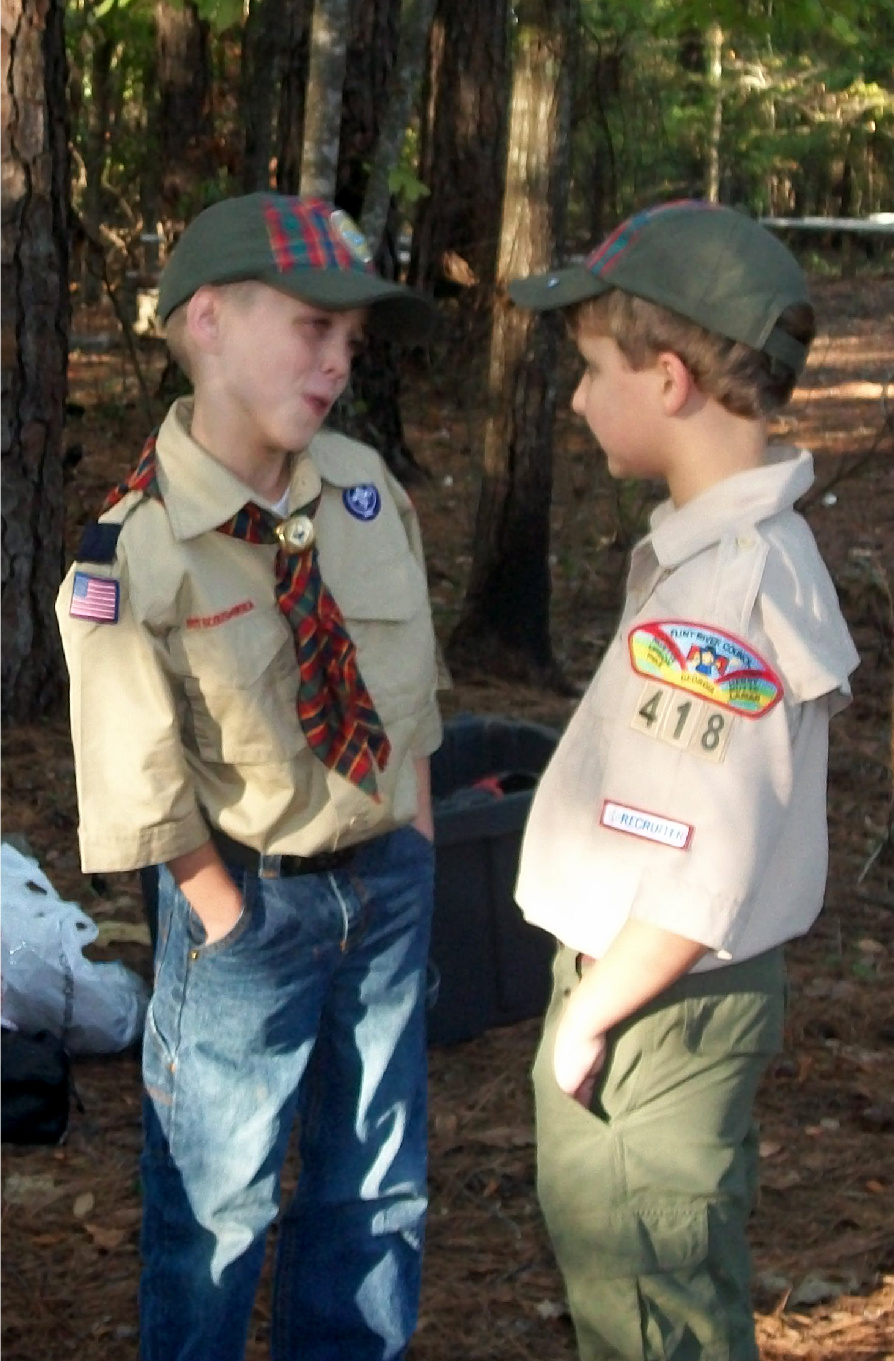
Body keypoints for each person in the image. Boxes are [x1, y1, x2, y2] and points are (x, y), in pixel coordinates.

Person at [55, 192, 444, 1361]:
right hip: (246, 904)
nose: (336, 362)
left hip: (385, 889)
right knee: (216, 1206)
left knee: (374, 1185)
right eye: (313, 328)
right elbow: (136, 764)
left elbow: (413, 684)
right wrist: (219, 912)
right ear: (207, 320)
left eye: (351, 343)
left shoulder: (366, 487)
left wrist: (414, 834)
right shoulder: (136, 546)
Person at [508, 200, 860, 1361]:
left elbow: (691, 871)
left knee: (649, 1305)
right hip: (669, 995)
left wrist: (593, 1012)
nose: (574, 398)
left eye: (592, 369)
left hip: (651, 1002)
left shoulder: (724, 594)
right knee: (667, 1279)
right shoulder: (727, 550)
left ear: (668, 380)